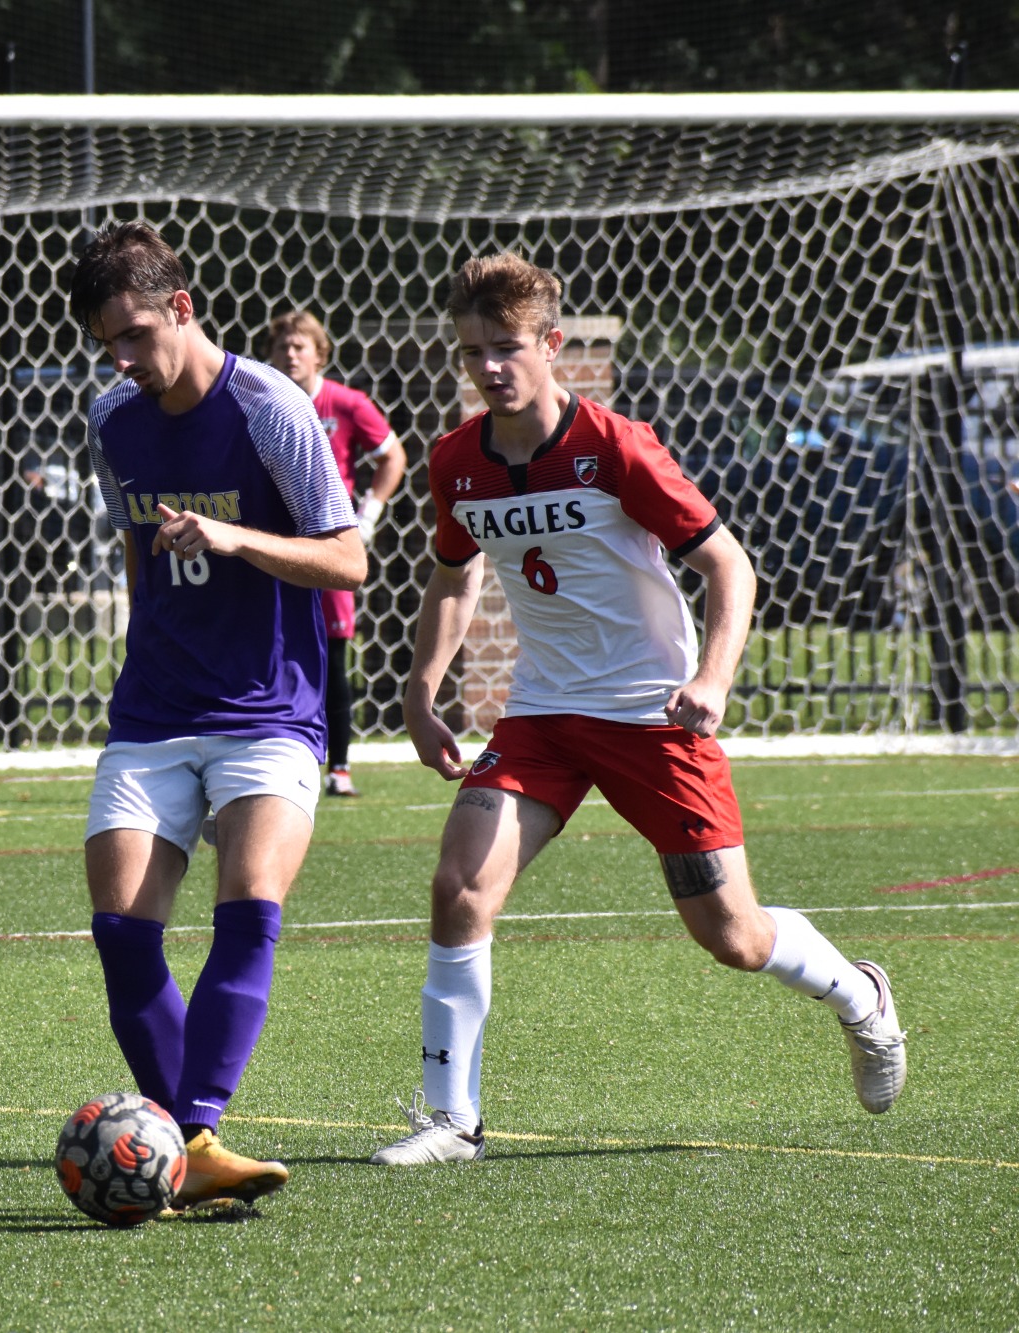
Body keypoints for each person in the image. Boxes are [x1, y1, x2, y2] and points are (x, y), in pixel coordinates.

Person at [370, 252, 906, 1166]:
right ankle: (451, 1119)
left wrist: (715, 680)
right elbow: (454, 577)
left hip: (653, 715)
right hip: (542, 713)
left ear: (551, 344)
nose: (488, 368)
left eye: (505, 347)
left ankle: (861, 996)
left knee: (731, 936)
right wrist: (422, 688)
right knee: (459, 887)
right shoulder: (456, 462)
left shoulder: (615, 447)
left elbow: (729, 564)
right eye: (471, 351)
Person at [68, 221, 367, 1206]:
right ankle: (187, 1156)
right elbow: (132, 547)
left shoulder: (269, 405)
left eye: (134, 333)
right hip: (152, 712)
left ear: (183, 309)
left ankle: (189, 1133)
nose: (120, 357)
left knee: (248, 904)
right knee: (120, 929)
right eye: (106, 340)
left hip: (267, 711)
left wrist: (235, 539)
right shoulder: (111, 413)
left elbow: (346, 558)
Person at [265, 310, 406, 798]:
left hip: (326, 545)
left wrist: (368, 514)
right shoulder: (258, 401)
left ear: (319, 354)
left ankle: (339, 767)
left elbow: (393, 454)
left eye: (300, 346)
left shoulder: (344, 403)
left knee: (332, 654)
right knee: (270, 648)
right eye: (282, 346)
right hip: (271, 544)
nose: (290, 354)